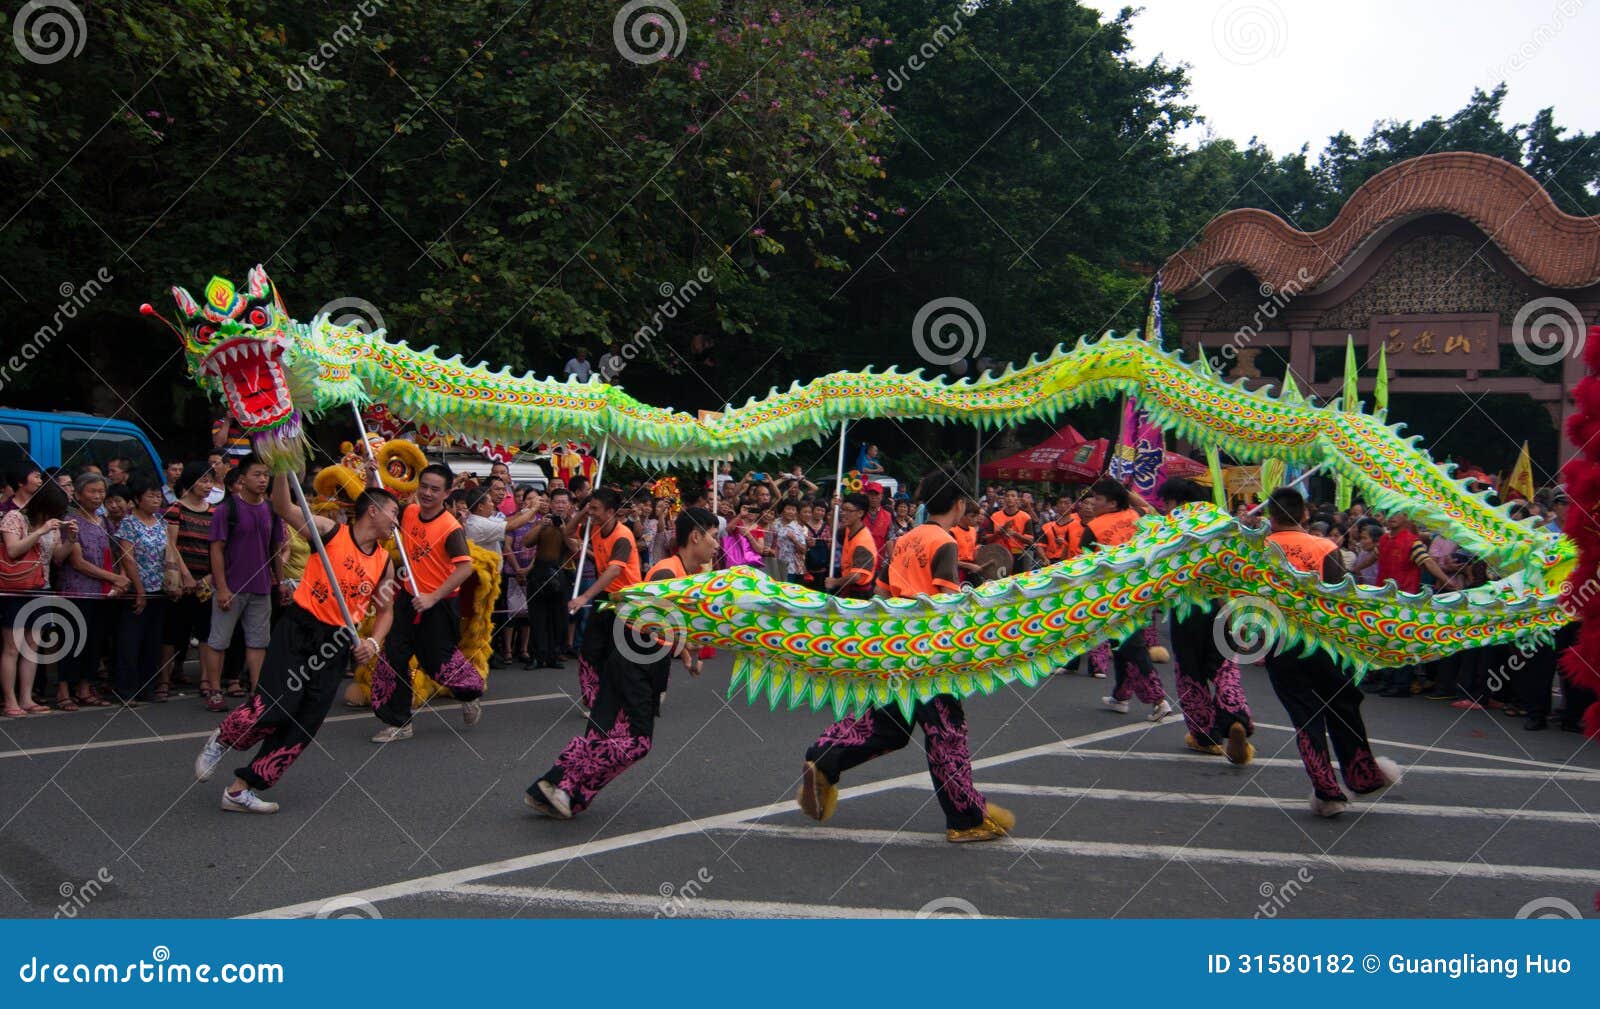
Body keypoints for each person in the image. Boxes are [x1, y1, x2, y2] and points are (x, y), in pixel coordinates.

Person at [796, 472, 1015, 843]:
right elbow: (942, 605)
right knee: (946, 735)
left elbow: (880, 596)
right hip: (931, 658)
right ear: (959, 504)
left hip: (899, 650)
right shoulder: (944, 542)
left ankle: (825, 757)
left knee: (888, 729)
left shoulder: (902, 540)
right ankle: (966, 819)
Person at [192, 479, 399, 814]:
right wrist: (283, 468)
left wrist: (374, 641)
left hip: (336, 645)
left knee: (305, 723)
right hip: (300, 630)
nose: (396, 521)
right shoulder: (329, 532)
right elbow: (284, 508)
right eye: (393, 513)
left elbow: (386, 610)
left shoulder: (384, 563)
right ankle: (223, 739)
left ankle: (241, 790)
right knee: (277, 705)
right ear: (372, 511)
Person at [526, 508, 719, 818]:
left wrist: (684, 654)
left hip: (640, 662)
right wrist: (686, 641)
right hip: (635, 662)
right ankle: (563, 780)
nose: (716, 545)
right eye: (714, 536)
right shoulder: (667, 572)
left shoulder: (683, 574)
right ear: (695, 536)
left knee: (610, 734)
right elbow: (644, 620)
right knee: (637, 742)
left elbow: (664, 626)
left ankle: (556, 789)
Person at [1261, 487, 1401, 817]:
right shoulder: (1325, 546)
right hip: (1326, 642)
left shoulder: (1260, 550)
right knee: (1343, 704)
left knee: (1304, 716)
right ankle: (1362, 775)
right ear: (1305, 514)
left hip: (1282, 642)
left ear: (1271, 517)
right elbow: (1341, 599)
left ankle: (1328, 793)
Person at [371, 463, 484, 741]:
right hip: (409, 598)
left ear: (447, 493)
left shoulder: (450, 527)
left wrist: (433, 597)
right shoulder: (409, 512)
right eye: (424, 486)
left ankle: (469, 693)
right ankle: (399, 722)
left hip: (440, 604)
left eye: (435, 489)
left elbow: (464, 568)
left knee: (437, 663)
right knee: (393, 655)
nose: (427, 493)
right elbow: (376, 509)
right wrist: (370, 474)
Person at [1158, 478, 1254, 763]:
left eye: (1167, 503)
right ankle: (1236, 718)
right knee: (1224, 667)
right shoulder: (1220, 527)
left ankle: (1205, 736)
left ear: (1177, 502)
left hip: (1185, 609)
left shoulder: (1171, 531)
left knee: (1190, 673)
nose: (1165, 508)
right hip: (1219, 607)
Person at [1082, 478, 1171, 720]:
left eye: (1098, 499)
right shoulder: (1138, 515)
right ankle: (1121, 696)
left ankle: (1159, 699)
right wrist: (1126, 490)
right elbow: (1152, 510)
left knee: (1133, 646)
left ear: (1112, 503)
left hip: (1113, 595)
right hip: (1142, 589)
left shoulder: (1094, 528)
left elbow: (1084, 566)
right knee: (1121, 645)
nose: (1093, 503)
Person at [202, 456, 282, 711]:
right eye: (257, 474)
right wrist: (222, 587)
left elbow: (276, 548)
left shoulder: (271, 509)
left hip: (261, 587)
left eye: (266, 475)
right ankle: (214, 691)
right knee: (219, 641)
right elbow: (216, 549)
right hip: (231, 587)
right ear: (242, 479)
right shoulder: (228, 509)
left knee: (258, 642)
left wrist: (279, 582)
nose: (262, 480)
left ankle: (256, 693)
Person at [52, 472, 130, 709]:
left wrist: (120, 578)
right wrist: (115, 577)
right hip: (76, 591)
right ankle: (63, 689)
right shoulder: (71, 521)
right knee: (71, 641)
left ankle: (85, 686)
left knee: (94, 641)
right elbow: (78, 562)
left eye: (101, 492)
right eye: (92, 491)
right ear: (77, 494)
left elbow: (115, 553)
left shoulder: (104, 521)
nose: (98, 496)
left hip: (101, 593)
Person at [564, 487, 642, 712]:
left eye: (596, 508)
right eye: (591, 507)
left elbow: (613, 571)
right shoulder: (593, 527)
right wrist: (583, 511)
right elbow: (567, 533)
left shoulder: (623, 536)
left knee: (620, 654)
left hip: (627, 599)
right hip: (606, 597)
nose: (592, 512)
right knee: (590, 650)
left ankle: (631, 696)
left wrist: (584, 597)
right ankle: (593, 700)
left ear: (610, 512)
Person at [1, 482, 73, 717]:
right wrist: (40, 531)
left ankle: (26, 697)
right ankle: (10, 700)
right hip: (15, 589)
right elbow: (12, 550)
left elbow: (58, 558)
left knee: (32, 647)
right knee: (12, 647)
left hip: (42, 587)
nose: (56, 516)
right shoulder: (14, 517)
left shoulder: (53, 526)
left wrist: (70, 539)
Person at [113, 475, 176, 707]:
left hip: (160, 589)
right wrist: (139, 590)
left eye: (158, 496)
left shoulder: (161, 522)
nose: (156, 500)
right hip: (137, 590)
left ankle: (146, 687)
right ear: (138, 499)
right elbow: (127, 558)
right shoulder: (129, 523)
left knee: (152, 641)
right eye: (150, 496)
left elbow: (170, 553)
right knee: (130, 641)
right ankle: (125, 689)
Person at [527, 488, 573, 670]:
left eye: (564, 502)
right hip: (539, 571)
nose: (560, 506)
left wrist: (563, 529)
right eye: (557, 502)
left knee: (558, 618)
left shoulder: (572, 524)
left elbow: (574, 548)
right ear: (551, 504)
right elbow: (526, 542)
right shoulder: (542, 522)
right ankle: (537, 656)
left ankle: (554, 655)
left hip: (559, 573)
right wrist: (540, 526)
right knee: (537, 617)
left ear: (569, 506)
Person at [826, 493, 876, 598]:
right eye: (843, 509)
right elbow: (834, 532)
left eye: (849, 510)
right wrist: (834, 510)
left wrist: (835, 582)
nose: (843, 514)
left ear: (860, 513)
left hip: (860, 594)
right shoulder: (849, 529)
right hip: (848, 587)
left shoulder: (863, 542)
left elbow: (855, 576)